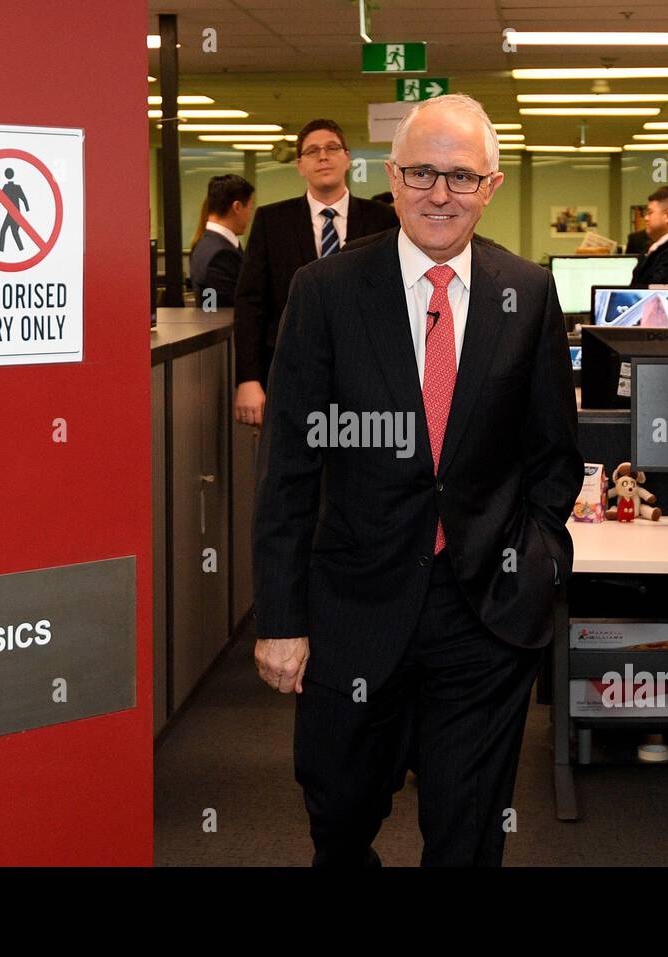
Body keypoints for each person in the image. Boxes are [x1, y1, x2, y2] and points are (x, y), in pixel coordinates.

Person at [252, 94, 584, 867]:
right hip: (354, 608)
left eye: (462, 176)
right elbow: (288, 470)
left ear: (492, 186)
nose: (441, 194)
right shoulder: (325, 291)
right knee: (340, 824)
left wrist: (534, 563)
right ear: (392, 178)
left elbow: (553, 455)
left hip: (484, 613)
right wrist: (281, 617)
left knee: (467, 838)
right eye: (422, 173)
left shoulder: (526, 292)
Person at [232, 119, 398, 427]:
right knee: (293, 454)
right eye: (312, 151)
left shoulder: (383, 220)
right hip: (290, 372)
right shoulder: (272, 222)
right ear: (300, 165)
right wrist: (248, 379)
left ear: (347, 158)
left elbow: (397, 300)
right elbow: (250, 304)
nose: (323, 156)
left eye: (332, 148)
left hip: (368, 374)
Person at [189, 174, 254, 309]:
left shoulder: (204, 245)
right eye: (250, 208)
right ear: (237, 207)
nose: (250, 216)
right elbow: (215, 310)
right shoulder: (220, 255)